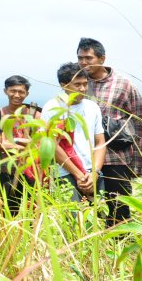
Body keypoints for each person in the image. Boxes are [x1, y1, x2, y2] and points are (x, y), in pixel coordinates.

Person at [77, 37, 142, 225]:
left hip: (118, 157)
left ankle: (121, 246)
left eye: (88, 58)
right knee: (87, 208)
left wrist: (137, 163)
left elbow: (139, 121)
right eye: (80, 58)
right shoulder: (78, 83)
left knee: (119, 207)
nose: (83, 63)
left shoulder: (124, 84)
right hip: (86, 158)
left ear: (102, 58)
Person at [41, 62, 106, 201]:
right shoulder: (53, 108)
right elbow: (52, 145)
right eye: (77, 85)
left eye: (85, 83)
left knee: (99, 217)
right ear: (64, 85)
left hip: (92, 173)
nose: (83, 88)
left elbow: (100, 142)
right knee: (74, 218)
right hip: (65, 173)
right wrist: (78, 175)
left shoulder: (92, 107)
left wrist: (95, 172)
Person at [0, 75, 41, 211]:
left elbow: (39, 144)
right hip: (8, 172)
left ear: (27, 93)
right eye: (13, 91)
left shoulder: (34, 115)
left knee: (34, 212)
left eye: (21, 92)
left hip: (31, 173)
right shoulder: (0, 114)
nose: (17, 95)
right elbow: (2, 144)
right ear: (6, 91)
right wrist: (24, 142)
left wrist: (15, 143)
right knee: (6, 212)